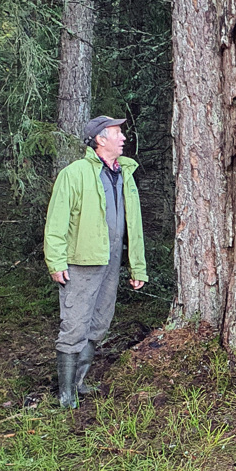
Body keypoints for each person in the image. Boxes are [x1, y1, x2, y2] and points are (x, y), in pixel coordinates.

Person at [43, 116, 147, 408]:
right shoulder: (74, 174)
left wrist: (137, 266)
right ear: (101, 139)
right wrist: (56, 261)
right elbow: (56, 222)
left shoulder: (124, 174)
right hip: (81, 262)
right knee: (75, 324)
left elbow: (134, 226)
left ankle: (79, 383)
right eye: (117, 133)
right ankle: (65, 395)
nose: (123, 138)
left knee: (99, 322)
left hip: (111, 262)